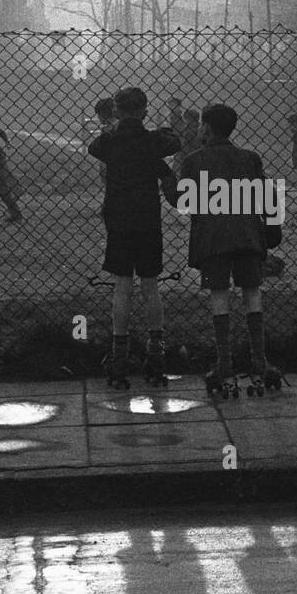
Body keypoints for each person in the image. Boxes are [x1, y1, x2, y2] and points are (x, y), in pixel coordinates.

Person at [179, 103, 284, 399]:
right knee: (252, 291)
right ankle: (259, 361)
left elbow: (184, 203)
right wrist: (272, 229)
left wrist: (166, 179)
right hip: (247, 236)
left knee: (220, 296)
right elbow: (268, 194)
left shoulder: (194, 161)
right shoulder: (249, 159)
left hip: (213, 240)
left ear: (208, 129)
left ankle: (224, 364)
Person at [88, 87, 182, 388]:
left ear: (116, 112)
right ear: (144, 110)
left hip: (118, 218)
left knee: (122, 286)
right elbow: (174, 141)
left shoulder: (110, 142)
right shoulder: (151, 142)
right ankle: (156, 356)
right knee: (151, 286)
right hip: (147, 218)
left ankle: (119, 357)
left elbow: (94, 147)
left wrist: (116, 128)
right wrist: (156, 127)